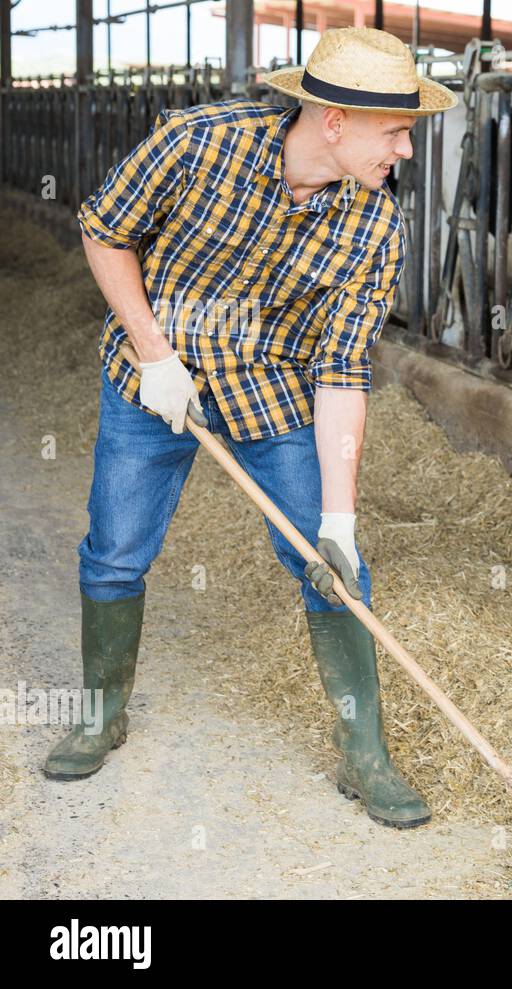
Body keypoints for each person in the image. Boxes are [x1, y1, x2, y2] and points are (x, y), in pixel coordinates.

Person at [44, 27, 456, 829]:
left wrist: (340, 520)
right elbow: (104, 229)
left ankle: (362, 751)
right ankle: (101, 712)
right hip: (150, 382)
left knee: (332, 564)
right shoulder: (199, 144)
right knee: (116, 546)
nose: (406, 151)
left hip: (271, 395)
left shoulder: (377, 228)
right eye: (395, 131)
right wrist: (153, 349)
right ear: (334, 121)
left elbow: (341, 372)